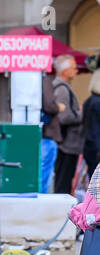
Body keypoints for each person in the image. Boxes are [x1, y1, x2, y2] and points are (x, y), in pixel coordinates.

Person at [43, 54, 83, 195]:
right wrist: (81, 114)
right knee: (63, 182)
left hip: (64, 143)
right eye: (74, 68)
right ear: (65, 71)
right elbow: (64, 117)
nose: (76, 71)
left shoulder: (58, 86)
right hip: (66, 144)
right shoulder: (62, 89)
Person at [81, 68, 100, 185]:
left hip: (89, 145)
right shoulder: (97, 102)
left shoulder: (89, 100)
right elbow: (97, 128)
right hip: (96, 147)